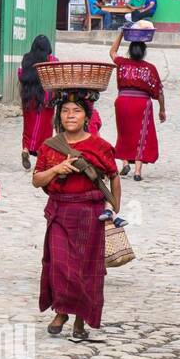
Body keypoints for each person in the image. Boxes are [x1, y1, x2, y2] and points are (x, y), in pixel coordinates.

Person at [32, 91, 120, 340]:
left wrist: (114, 206)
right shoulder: (50, 147)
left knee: (85, 269)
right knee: (60, 265)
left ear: (87, 116)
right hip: (60, 211)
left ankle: (80, 318)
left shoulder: (100, 147)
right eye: (66, 111)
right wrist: (57, 169)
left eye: (77, 111)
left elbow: (113, 175)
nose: (70, 116)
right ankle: (61, 311)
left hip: (91, 214)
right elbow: (37, 180)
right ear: (59, 115)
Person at [109, 31, 165, 181]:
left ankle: (125, 162)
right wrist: (162, 109)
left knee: (124, 132)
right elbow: (159, 91)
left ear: (130, 51)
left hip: (122, 102)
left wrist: (121, 34)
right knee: (141, 134)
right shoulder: (150, 68)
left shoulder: (121, 63)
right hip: (141, 103)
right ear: (144, 52)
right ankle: (137, 171)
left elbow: (112, 51)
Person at [18, 34, 56, 169]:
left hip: (28, 98)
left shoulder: (26, 59)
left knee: (28, 127)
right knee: (44, 128)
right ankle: (42, 154)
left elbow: (21, 74)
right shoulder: (52, 60)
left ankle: (26, 149)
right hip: (45, 99)